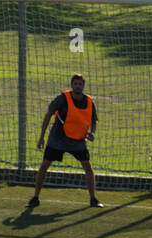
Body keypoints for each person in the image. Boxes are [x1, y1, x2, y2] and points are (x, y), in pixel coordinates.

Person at [28, 73, 102, 209]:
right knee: (44, 166)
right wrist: (42, 137)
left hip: (78, 140)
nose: (78, 86)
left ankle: (93, 199)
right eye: (75, 84)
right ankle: (35, 197)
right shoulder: (62, 99)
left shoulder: (89, 101)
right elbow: (49, 114)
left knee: (88, 167)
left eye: (80, 84)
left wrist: (92, 133)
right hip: (58, 139)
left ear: (83, 86)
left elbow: (94, 120)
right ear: (71, 85)